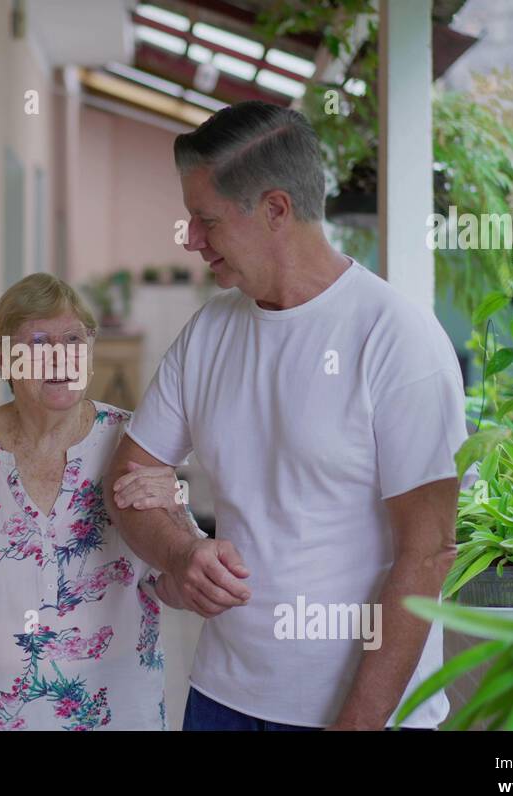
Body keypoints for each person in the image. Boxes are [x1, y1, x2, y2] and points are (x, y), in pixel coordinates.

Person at [107, 101, 466, 731]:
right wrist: (182, 551)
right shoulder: (210, 331)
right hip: (220, 700)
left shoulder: (396, 339)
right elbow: (129, 478)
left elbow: (430, 550)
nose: (190, 239)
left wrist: (359, 721)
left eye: (206, 220)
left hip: (364, 713)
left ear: (275, 208)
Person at [0, 273, 197, 731]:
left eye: (73, 339)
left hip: (117, 717)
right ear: (4, 358)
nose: (60, 355)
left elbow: (179, 584)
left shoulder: (134, 444)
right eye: (39, 342)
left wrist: (183, 539)